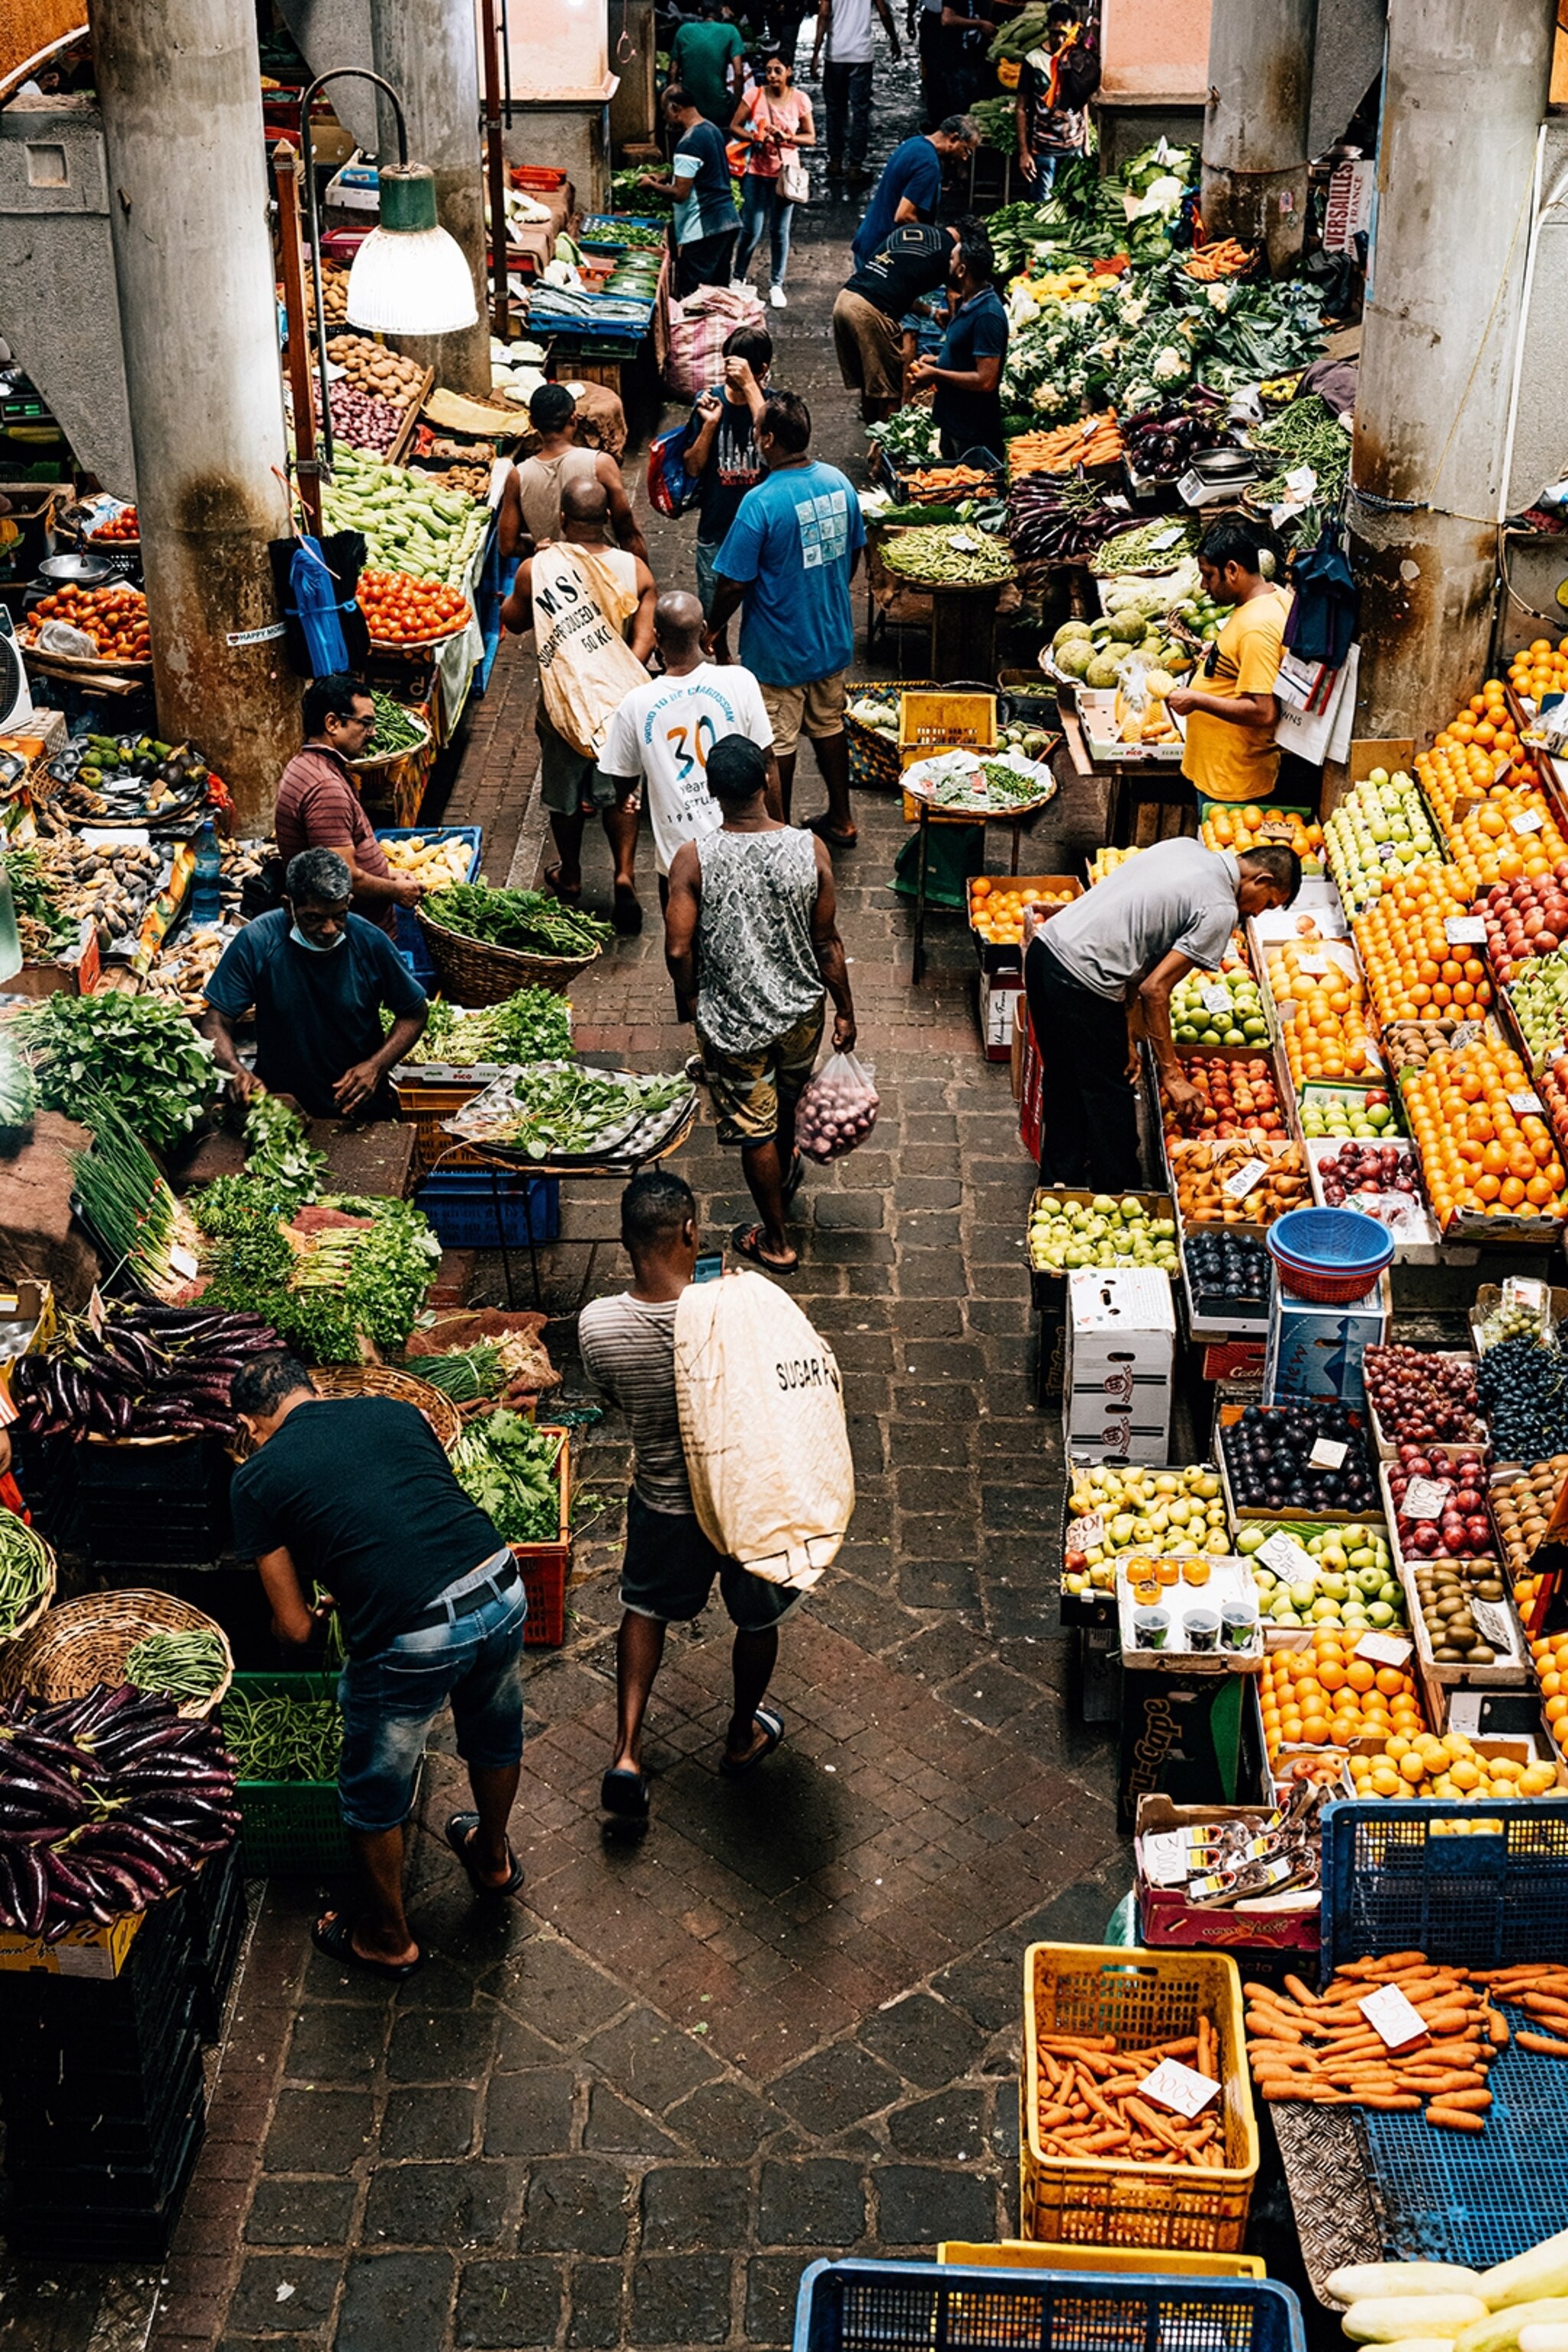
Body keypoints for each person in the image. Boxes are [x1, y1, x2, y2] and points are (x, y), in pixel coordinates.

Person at [230, 1354, 528, 1978]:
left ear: (252, 1425)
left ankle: (388, 1939)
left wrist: (314, 1616)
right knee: (494, 1735)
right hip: (500, 1585)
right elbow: (415, 1515)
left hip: (415, 1636)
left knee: (373, 1789)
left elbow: (295, 1626)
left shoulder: (255, 1479)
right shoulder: (394, 1410)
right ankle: (493, 1860)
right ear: (310, 1390)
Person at [579, 1171, 800, 1821]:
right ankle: (739, 1735)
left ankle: (626, 1751)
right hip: (740, 1503)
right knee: (758, 1619)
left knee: (644, 1611)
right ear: (691, 1232)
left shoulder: (598, 1327)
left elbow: (613, 1396)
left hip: (662, 1502)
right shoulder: (739, 1310)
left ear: (624, 1240)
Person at [664, 734, 855, 1272]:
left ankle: (777, 1239)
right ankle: (786, 1171)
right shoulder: (809, 848)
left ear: (712, 792)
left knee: (757, 1129)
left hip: (735, 1024)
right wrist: (845, 1010)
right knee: (789, 1100)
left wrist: (695, 996)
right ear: (766, 781)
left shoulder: (693, 860)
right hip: (801, 1014)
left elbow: (678, 947)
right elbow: (828, 943)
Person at [1023, 838, 1301, 1192]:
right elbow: (1156, 989)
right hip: (1084, 982)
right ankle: (1120, 1199)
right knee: (1110, 1097)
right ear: (1260, 881)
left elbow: (1139, 940)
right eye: (1268, 904)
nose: (1258, 914)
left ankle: (1059, 1186)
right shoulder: (1220, 909)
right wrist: (1171, 1074)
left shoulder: (1187, 848)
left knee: (1065, 1081)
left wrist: (1126, 1029)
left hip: (1046, 954)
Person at [707, 393, 864, 848]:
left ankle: (781, 836)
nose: (755, 438)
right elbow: (854, 551)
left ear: (769, 439)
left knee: (777, 744)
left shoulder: (760, 503)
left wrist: (713, 628)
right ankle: (842, 817)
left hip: (779, 650)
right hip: (831, 637)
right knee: (829, 725)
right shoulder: (839, 483)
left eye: (757, 431)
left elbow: (734, 582)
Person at [501, 476, 658, 929]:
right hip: (619, 709)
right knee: (620, 794)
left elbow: (513, 619)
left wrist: (537, 567)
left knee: (565, 798)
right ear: (607, 517)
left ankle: (570, 875)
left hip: (563, 707)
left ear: (564, 520)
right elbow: (643, 644)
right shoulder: (636, 571)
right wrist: (612, 678)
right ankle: (624, 873)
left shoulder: (539, 569)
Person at [201, 847, 428, 1121]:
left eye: (339, 915)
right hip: (279, 1109)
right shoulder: (258, 942)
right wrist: (236, 1071)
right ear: (288, 907)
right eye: (314, 917)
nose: (329, 929)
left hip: (358, 1109)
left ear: (349, 902)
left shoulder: (370, 943)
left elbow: (414, 1012)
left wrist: (376, 1067)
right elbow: (215, 1022)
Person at [598, 591, 779, 894]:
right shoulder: (740, 681)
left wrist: (625, 795)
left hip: (679, 856)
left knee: (681, 938)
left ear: (657, 636)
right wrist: (778, 831)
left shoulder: (635, 703)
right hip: (743, 844)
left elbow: (623, 774)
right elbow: (768, 759)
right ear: (703, 628)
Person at [273, 676, 418, 939]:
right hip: (355, 936)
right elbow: (345, 878)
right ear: (332, 724)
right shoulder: (325, 789)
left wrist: (389, 875)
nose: (372, 733)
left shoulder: (306, 765)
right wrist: (395, 891)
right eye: (365, 723)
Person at [1168, 516, 1293, 808]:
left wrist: (1197, 700)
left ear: (1233, 570)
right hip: (1224, 772)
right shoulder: (1272, 596)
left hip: (1232, 781)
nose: (1203, 585)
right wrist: (1219, 654)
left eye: (1208, 575)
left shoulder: (1256, 626)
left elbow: (1264, 712)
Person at [498, 382, 648, 567]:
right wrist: (643, 582)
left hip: (554, 580)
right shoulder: (600, 464)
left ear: (532, 423)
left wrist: (543, 547)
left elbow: (507, 546)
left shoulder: (518, 476)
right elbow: (628, 533)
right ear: (574, 419)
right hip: (603, 576)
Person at [681, 328, 773, 618]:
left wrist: (750, 387)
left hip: (762, 530)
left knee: (761, 605)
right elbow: (693, 467)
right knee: (713, 606)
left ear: (761, 370)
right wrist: (709, 425)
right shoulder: (709, 402)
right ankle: (720, 654)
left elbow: (774, 447)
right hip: (717, 526)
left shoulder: (775, 406)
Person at [834, 220, 959, 424]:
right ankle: (887, 452)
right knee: (889, 394)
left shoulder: (917, 231)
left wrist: (933, 312)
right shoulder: (950, 251)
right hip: (870, 313)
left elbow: (892, 288)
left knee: (869, 388)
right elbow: (954, 296)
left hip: (846, 300)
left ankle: (874, 445)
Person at [908, 222, 1008, 461]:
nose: (947, 263)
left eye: (951, 259)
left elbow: (986, 380)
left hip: (971, 430)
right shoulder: (967, 303)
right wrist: (937, 360)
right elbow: (965, 356)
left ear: (962, 270)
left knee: (967, 488)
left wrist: (936, 374)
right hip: (952, 420)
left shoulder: (987, 316)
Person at [730, 54, 815, 308]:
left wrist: (787, 137)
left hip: (785, 173)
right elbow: (735, 126)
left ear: (789, 71)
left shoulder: (800, 99)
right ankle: (738, 277)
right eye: (768, 71)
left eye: (777, 70)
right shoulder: (754, 95)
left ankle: (776, 284)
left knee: (779, 231)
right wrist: (755, 137)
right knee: (750, 229)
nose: (772, 76)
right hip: (756, 171)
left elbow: (810, 137)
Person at [641, 85, 740, 297]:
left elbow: (680, 193)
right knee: (718, 293)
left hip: (704, 228)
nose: (665, 118)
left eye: (665, 112)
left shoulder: (688, 144)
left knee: (693, 295)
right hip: (727, 222)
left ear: (675, 108)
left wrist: (652, 186)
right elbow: (703, 171)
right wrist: (666, 175)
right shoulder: (711, 130)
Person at [850, 116, 978, 270]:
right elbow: (904, 215)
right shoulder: (929, 164)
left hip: (869, 238)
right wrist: (934, 241)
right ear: (954, 138)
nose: (964, 158)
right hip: (883, 251)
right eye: (966, 151)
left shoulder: (915, 143)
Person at [812, 0, 900, 188]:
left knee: (835, 109)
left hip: (835, 53)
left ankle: (835, 161)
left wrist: (816, 52)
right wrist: (894, 39)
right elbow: (884, 11)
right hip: (860, 54)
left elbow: (824, 14)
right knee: (860, 111)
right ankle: (855, 166)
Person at [1015, 6, 1099, 188]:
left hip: (1074, 147)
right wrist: (1024, 152)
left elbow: (1082, 100)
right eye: (1054, 33)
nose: (1059, 40)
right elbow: (1021, 108)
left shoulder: (1077, 58)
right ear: (1047, 29)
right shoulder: (1033, 60)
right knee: (1044, 204)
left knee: (1072, 203)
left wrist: (1086, 142)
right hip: (1044, 149)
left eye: (1064, 34)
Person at [669, 0, 746, 127]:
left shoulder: (684, 31)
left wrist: (675, 104)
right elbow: (738, 73)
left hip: (689, 107)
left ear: (700, 11)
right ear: (722, 10)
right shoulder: (731, 31)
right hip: (719, 108)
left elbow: (672, 71)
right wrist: (737, 107)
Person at [940, 0, 995, 114]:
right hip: (957, 57)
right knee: (961, 106)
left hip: (973, 56)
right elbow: (947, 19)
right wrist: (980, 24)